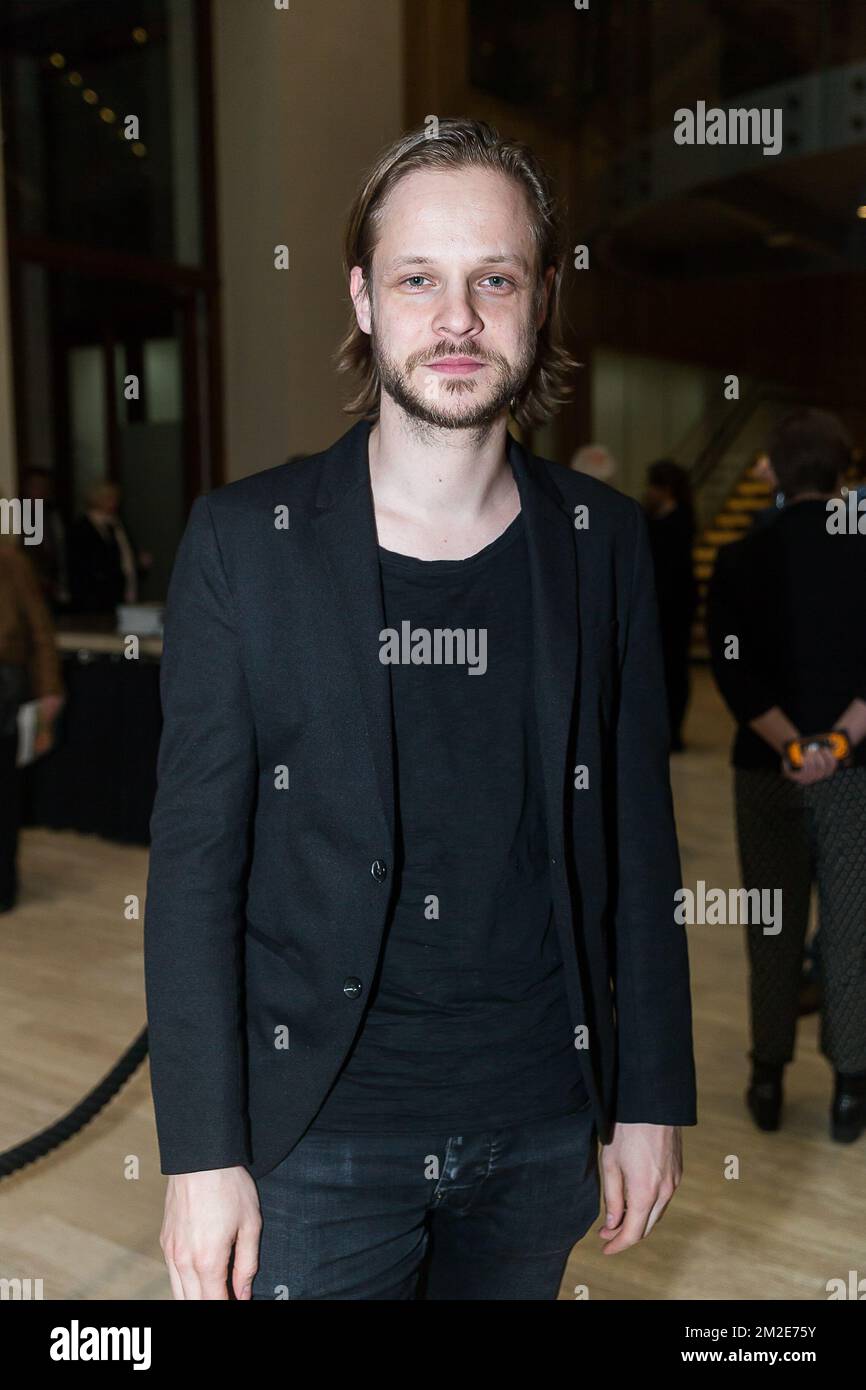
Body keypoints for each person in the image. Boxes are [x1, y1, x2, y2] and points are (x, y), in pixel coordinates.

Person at [144, 117, 697, 1302]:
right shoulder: (245, 543)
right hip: (318, 1138)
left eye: (491, 279)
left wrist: (648, 1093)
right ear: (362, 298)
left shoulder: (602, 546)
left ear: (538, 298)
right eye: (417, 279)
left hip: (544, 1122)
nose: (456, 319)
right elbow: (193, 869)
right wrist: (200, 1152)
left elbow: (636, 845)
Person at [706, 408, 866, 1142]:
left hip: (765, 769)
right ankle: (848, 1089)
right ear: (844, 473)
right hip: (855, 770)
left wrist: (793, 745)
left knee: (771, 926)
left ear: (772, 468)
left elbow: (734, 673)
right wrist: (835, 741)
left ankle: (767, 1076)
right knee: (851, 928)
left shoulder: (741, 556)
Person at [0, 530, 65, 911]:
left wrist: (49, 693)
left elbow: (41, 631)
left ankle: (3, 887)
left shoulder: (11, 562)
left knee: (3, 794)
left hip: (4, 688)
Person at [643, 459, 698, 751]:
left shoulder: (680, 520)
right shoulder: (654, 519)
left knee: (674, 669)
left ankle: (673, 731)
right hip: (662, 603)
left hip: (675, 606)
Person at [67, 480, 151, 616]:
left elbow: (125, 554)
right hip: (95, 598)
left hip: (123, 592)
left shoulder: (118, 526)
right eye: (108, 498)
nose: (114, 502)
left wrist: (138, 562)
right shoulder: (82, 528)